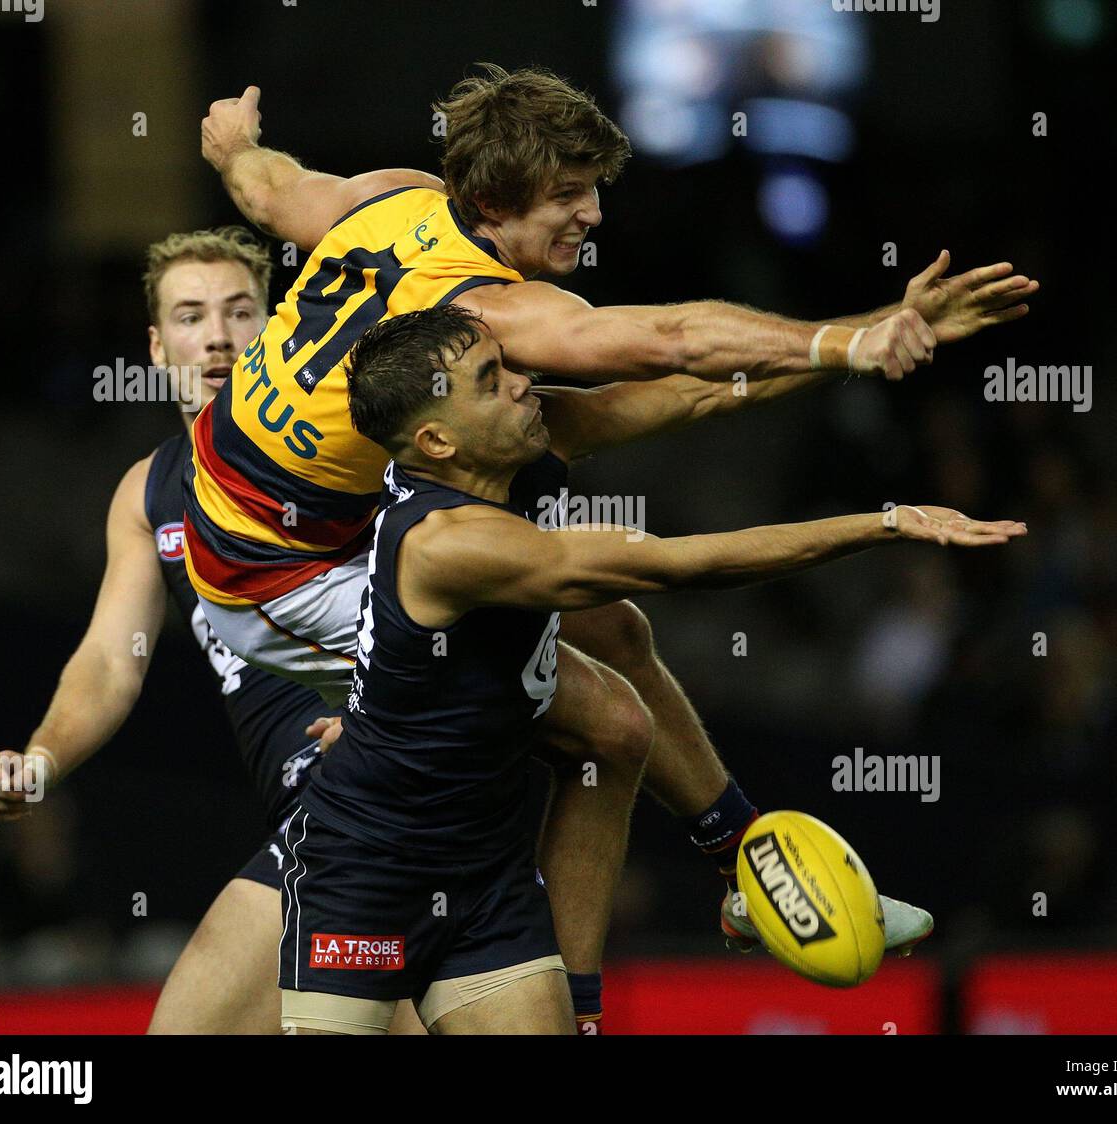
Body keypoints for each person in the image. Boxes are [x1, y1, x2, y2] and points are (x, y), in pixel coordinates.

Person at [190, 68, 1037, 1026]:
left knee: (619, 633)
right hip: (279, 579)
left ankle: (744, 865)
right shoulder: (496, 319)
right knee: (611, 729)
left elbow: (271, 188)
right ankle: (581, 1000)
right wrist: (847, 358)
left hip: (256, 504)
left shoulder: (396, 201)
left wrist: (232, 141)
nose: (593, 214)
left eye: (594, 188)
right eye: (568, 194)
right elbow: (676, 341)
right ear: (495, 199)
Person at [278, 305, 1026, 1034]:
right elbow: (685, 563)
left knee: (620, 715)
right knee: (615, 679)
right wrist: (886, 522)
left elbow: (700, 386)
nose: (519, 381)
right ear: (438, 441)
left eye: (504, 363)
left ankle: (731, 874)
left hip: (485, 871)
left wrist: (861, 338)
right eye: (488, 379)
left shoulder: (525, 443)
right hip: (369, 870)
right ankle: (738, 868)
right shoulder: (454, 545)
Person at [0, 227, 421, 1034]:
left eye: (238, 311)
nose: (216, 334)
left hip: (372, 794)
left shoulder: (351, 447)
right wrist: (42, 756)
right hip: (309, 815)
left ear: (275, 331)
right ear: (156, 345)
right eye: (190, 316)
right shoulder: (147, 493)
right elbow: (113, 661)